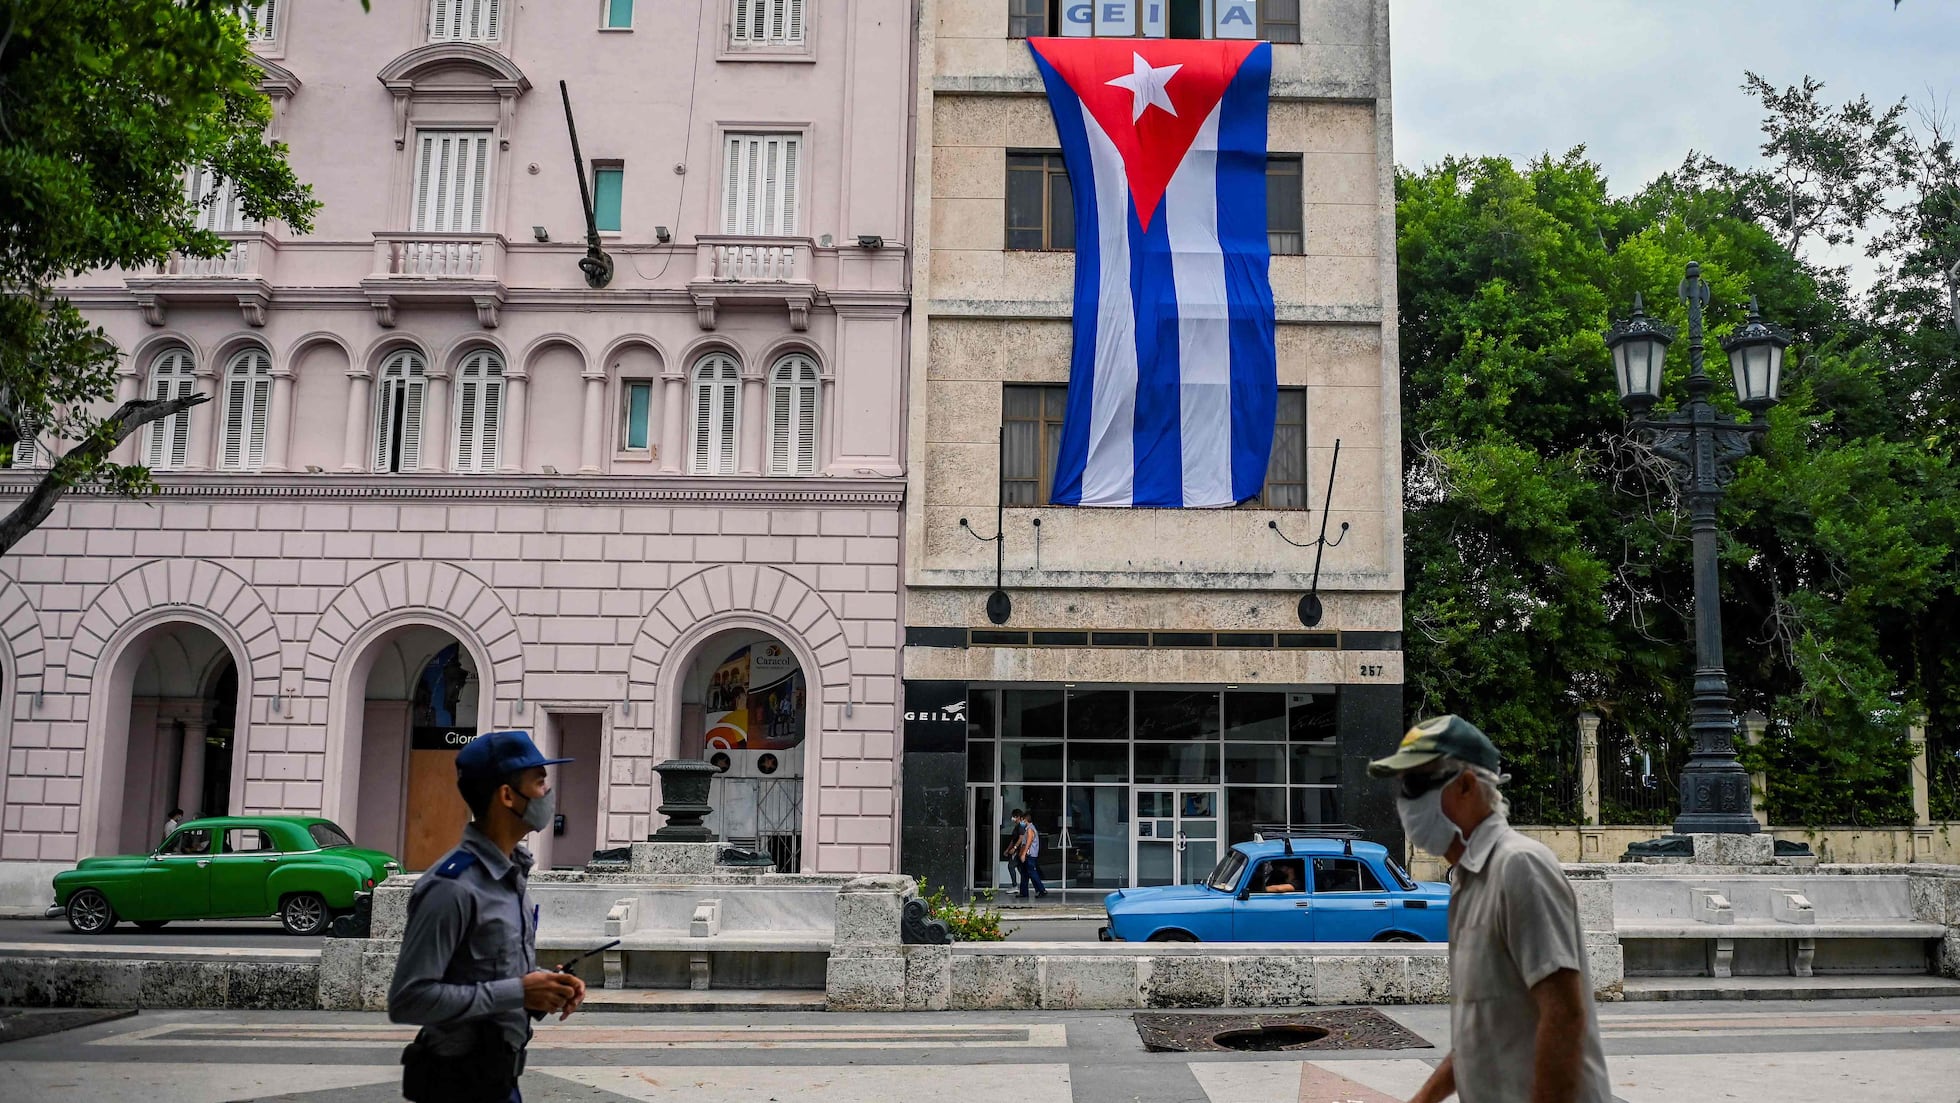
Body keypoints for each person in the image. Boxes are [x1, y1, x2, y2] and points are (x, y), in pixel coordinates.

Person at [1368, 715, 1611, 1103]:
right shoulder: (1467, 880)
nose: (1404, 803)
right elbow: (1481, 1035)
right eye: (1401, 788)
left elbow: (1564, 1014)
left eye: (1415, 785)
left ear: (1465, 784)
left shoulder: (1520, 866)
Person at [389, 731, 587, 1103]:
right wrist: (520, 991)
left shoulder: (513, 876)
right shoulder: (452, 887)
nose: (547, 792)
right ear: (507, 795)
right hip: (456, 1085)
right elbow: (409, 999)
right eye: (539, 781)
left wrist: (546, 990)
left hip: (501, 1080)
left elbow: (488, 975)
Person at [1010, 808, 1047, 900]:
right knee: (1024, 873)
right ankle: (1024, 892)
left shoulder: (1030, 829)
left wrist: (1023, 854)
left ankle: (1041, 890)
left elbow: (1028, 843)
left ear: (1025, 820)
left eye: (1022, 820)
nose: (1021, 822)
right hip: (1027, 854)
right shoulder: (1027, 829)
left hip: (1030, 855)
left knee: (1032, 872)